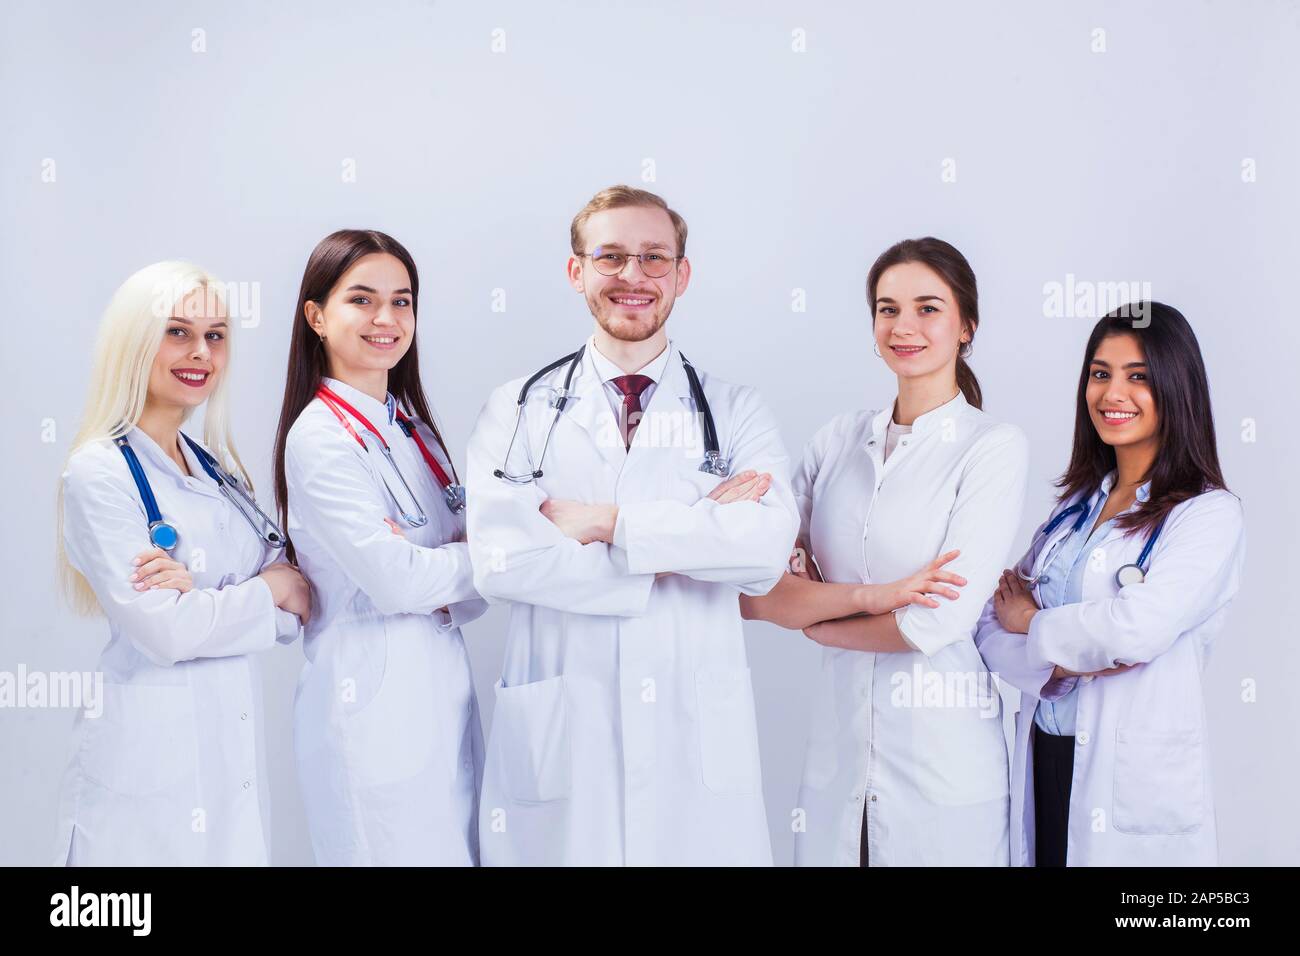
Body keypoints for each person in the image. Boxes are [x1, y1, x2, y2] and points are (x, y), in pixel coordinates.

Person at [465, 185, 799, 865]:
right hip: (565, 740)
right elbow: (501, 561)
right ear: (576, 271)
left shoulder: (736, 412)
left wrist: (605, 523)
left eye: (654, 259)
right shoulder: (519, 408)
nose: (633, 277)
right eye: (611, 257)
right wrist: (693, 538)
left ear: (682, 274)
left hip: (692, 741)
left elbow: (764, 552)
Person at [742, 237, 1029, 866]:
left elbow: (938, 619)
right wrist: (866, 603)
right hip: (837, 760)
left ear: (966, 326)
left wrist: (816, 619)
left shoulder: (992, 448)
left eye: (928, 308)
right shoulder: (837, 441)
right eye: (887, 308)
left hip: (943, 766)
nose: (904, 327)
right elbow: (754, 587)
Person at [54, 261, 309, 866]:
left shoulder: (219, 469)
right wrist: (262, 591)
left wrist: (210, 599)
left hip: (229, 759)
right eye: (178, 332)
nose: (201, 352)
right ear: (134, 342)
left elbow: (299, 606)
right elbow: (166, 632)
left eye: (216, 335)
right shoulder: (98, 472)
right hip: (147, 773)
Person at [976, 301, 1245, 866]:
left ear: (1178, 387)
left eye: (1138, 376)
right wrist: (1067, 655)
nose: (1111, 394)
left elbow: (1135, 630)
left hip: (1132, 780)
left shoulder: (1207, 515)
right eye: (1100, 374)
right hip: (1046, 757)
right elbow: (987, 626)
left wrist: (1032, 624)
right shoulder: (1074, 508)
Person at [274, 230, 486, 866]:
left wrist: (442, 570)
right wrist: (484, 559)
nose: (386, 319)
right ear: (317, 316)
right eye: (362, 300)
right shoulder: (319, 439)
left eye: (402, 301)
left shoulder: (413, 428)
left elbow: (455, 582)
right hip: (368, 700)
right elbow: (399, 583)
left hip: (442, 689)